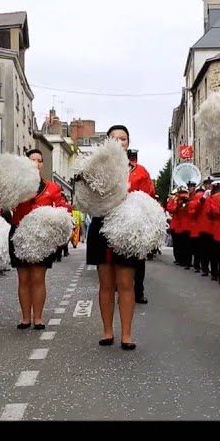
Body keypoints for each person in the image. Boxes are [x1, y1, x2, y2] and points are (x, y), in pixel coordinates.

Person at [86, 126, 148, 349]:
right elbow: (87, 196)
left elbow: (146, 200)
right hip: (101, 226)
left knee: (126, 283)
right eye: (114, 138)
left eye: (123, 139)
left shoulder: (140, 172)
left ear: (128, 143)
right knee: (105, 283)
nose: (119, 141)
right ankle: (107, 331)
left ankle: (127, 334)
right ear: (107, 142)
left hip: (126, 229)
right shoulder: (97, 168)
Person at [10, 150, 71, 330]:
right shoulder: (17, 186)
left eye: (39, 160)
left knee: (38, 277)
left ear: (42, 164)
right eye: (32, 160)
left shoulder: (52, 187)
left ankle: (38, 317)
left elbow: (60, 208)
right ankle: (25, 318)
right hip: (19, 232)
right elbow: (7, 204)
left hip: (41, 237)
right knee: (23, 278)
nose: (36, 163)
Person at [126, 148, 155, 303]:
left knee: (139, 257)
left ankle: (138, 291)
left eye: (132, 157)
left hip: (137, 216)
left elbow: (149, 193)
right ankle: (123, 288)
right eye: (130, 157)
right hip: (119, 216)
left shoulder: (142, 171)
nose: (131, 160)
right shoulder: (115, 168)